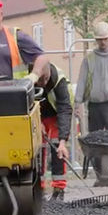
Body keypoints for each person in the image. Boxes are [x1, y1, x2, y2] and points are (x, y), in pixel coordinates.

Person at [74, 21, 108, 186]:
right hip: (94, 104)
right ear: (96, 40)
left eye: (105, 39)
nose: (103, 42)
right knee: (95, 141)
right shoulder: (89, 59)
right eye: (100, 39)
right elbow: (82, 81)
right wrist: (77, 104)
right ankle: (100, 175)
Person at [34, 62, 73, 201]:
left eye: (45, 80)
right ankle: (39, 189)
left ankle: (59, 189)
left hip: (56, 114)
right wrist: (36, 121)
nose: (43, 83)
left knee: (58, 147)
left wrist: (63, 141)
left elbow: (64, 110)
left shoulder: (59, 81)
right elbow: (25, 103)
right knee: (38, 149)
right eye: (40, 81)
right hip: (37, 114)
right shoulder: (28, 78)